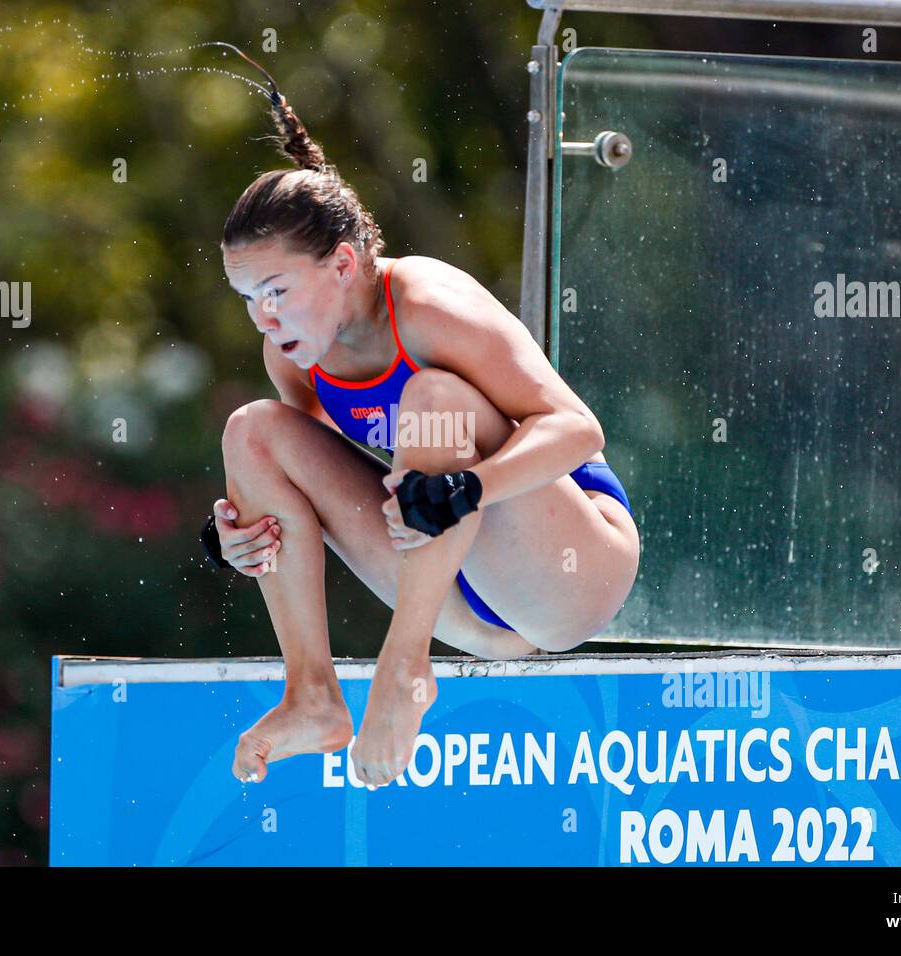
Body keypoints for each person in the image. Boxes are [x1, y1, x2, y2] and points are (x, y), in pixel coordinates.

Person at [203, 83, 640, 789]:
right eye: (248, 299)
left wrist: (469, 490)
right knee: (251, 432)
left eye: (277, 291)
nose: (264, 318)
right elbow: (315, 482)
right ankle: (311, 695)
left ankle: (404, 669)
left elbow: (578, 430)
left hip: (569, 571)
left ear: (344, 264)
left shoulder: (432, 307)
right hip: (461, 595)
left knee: (433, 397)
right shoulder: (291, 353)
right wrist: (243, 530)